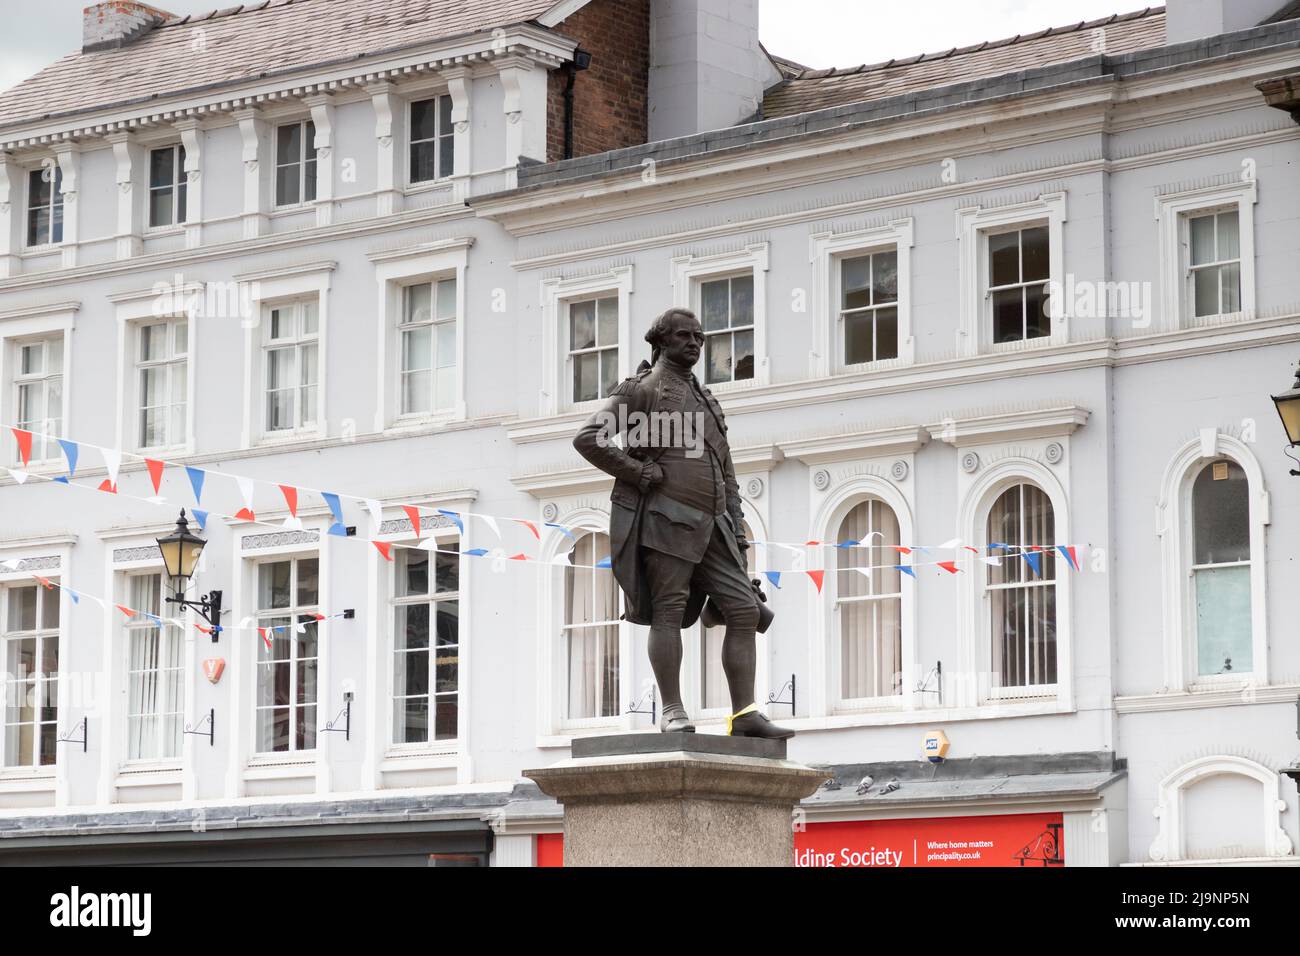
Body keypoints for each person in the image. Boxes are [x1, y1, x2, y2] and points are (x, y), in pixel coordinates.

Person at [573, 307, 794, 739]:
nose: (693, 342)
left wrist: (737, 529)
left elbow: (725, 470)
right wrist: (638, 473)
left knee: (744, 610)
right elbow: (588, 438)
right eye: (683, 336)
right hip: (666, 518)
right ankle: (672, 709)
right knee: (669, 611)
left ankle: (744, 713)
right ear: (661, 343)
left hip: (715, 525)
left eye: (698, 336)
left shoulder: (707, 398)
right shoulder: (642, 389)